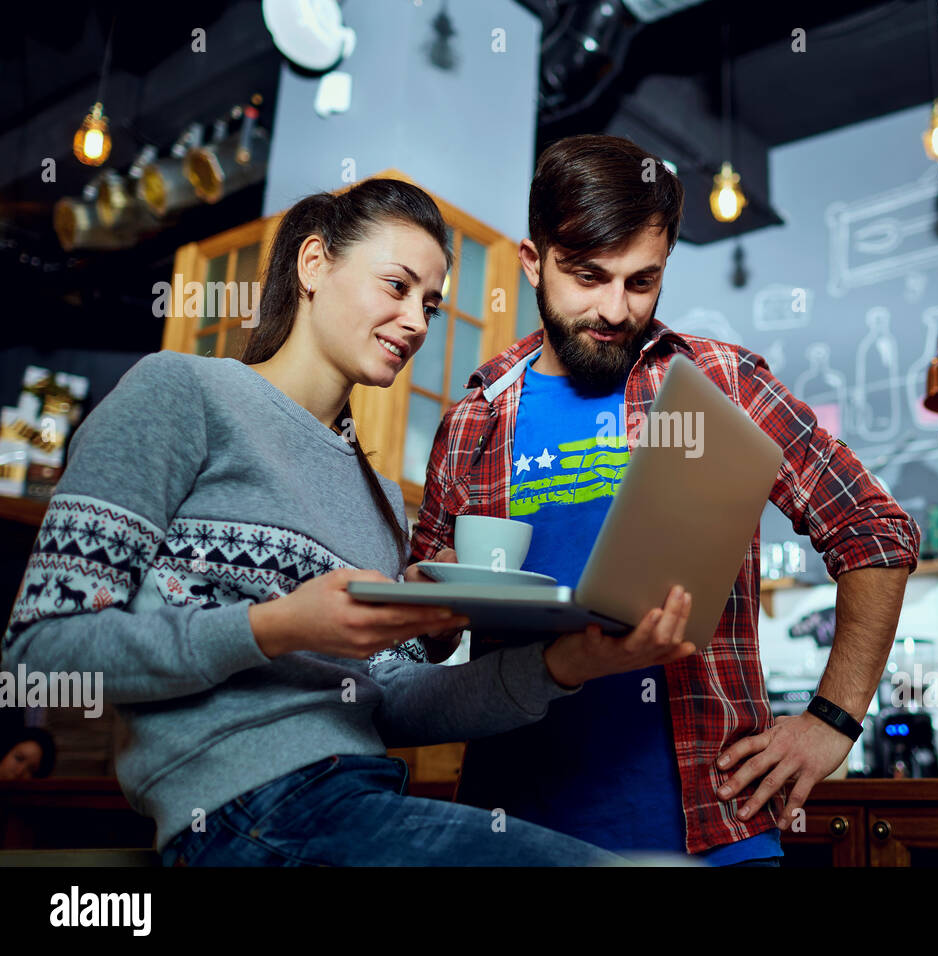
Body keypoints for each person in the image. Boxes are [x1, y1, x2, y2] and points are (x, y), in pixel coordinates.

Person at [1, 177, 695, 866]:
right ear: (313, 265)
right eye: (396, 287)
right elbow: (41, 652)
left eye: (431, 304)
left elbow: (389, 701)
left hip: (360, 798)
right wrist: (275, 626)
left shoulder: (379, 499)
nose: (419, 322)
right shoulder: (182, 394)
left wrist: (565, 664)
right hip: (241, 810)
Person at [406, 135, 921, 865]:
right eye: (588, 276)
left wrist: (833, 719)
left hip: (713, 833)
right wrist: (428, 594)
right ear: (533, 262)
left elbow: (873, 529)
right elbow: (420, 638)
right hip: (514, 833)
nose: (615, 309)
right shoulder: (476, 420)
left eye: (641, 281)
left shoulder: (723, 383)